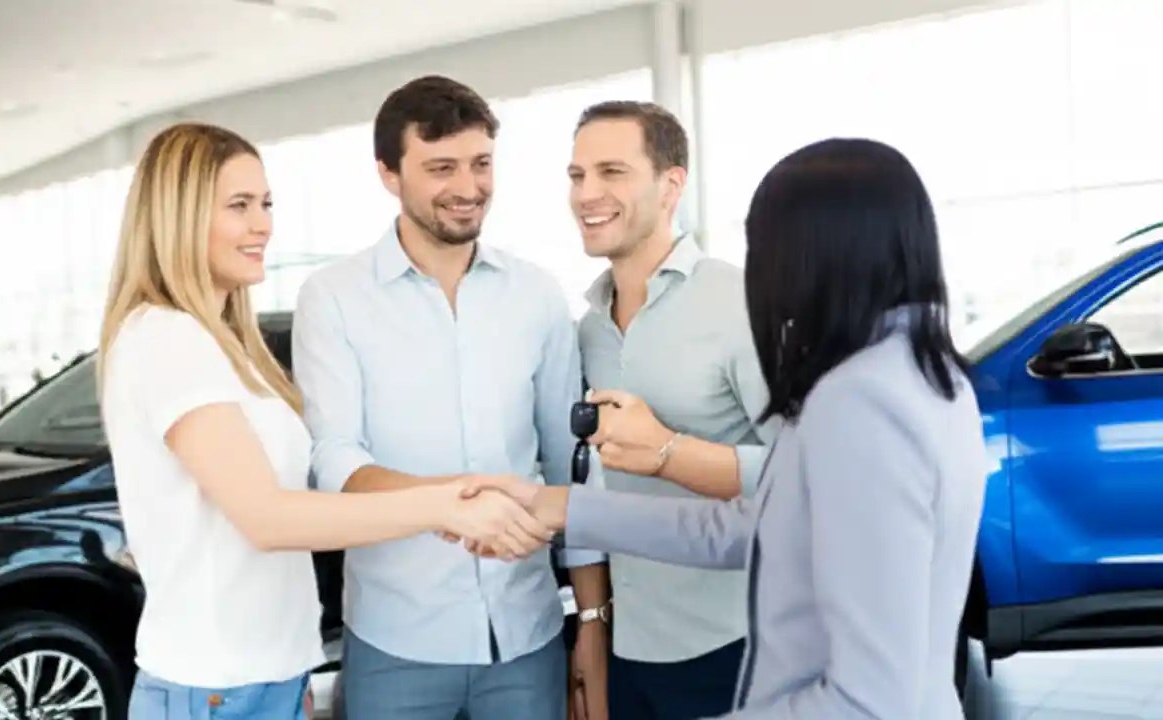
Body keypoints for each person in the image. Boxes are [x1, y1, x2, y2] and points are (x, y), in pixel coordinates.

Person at [463, 137, 989, 719]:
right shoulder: (919, 373)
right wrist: (559, 507)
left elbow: (866, 701)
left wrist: (666, 452)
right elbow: (748, 526)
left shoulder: (861, 403)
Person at [98, 122, 552, 720]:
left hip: (259, 679)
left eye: (265, 203)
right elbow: (268, 517)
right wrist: (446, 505)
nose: (263, 224)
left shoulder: (221, 343)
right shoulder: (166, 339)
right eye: (239, 206)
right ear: (178, 217)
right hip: (215, 689)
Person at [292, 75, 610, 720]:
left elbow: (571, 465)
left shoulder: (537, 294)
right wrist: (448, 505)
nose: (468, 189)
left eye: (481, 164)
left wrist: (594, 623)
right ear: (388, 173)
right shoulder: (333, 298)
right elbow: (335, 460)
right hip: (395, 639)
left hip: (529, 634)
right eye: (442, 168)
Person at [564, 100, 774, 719]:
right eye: (577, 176)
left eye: (611, 172)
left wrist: (666, 452)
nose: (587, 194)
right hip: (630, 650)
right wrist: (593, 627)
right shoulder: (588, 328)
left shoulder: (741, 303)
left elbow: (809, 474)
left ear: (671, 184)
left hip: (737, 645)